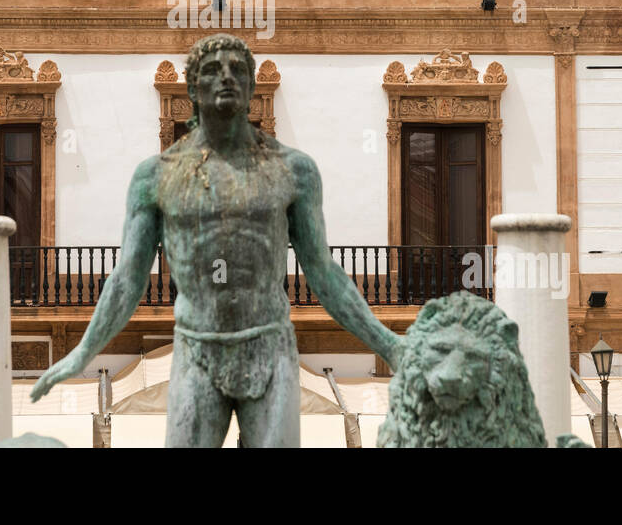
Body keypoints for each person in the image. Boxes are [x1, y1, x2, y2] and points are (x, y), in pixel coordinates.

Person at [31, 32, 403, 447]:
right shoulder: (155, 176)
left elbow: (323, 272)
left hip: (270, 346)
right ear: (191, 88)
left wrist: (387, 342)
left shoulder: (294, 171)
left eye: (238, 70)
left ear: (252, 87)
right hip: (197, 350)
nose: (226, 77)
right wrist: (83, 353)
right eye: (212, 70)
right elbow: (127, 279)